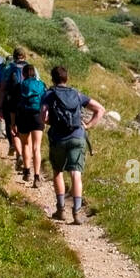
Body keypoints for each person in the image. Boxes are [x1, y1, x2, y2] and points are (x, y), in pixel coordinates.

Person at [40, 65, 106, 224]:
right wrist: (88, 125)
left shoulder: (49, 94)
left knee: (57, 172)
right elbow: (100, 109)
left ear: (53, 79)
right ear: (67, 78)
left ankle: (61, 210)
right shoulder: (77, 94)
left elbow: (43, 116)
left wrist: (51, 122)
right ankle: (76, 212)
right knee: (76, 174)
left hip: (58, 138)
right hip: (77, 136)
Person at [14, 63, 46, 187]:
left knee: (25, 143)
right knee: (37, 147)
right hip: (37, 116)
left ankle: (27, 171)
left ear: (23, 74)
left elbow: (15, 104)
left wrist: (13, 122)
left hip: (23, 116)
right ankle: (37, 176)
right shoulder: (41, 84)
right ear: (35, 73)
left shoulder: (20, 85)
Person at [0, 47, 28, 167]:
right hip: (27, 104)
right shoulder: (31, 68)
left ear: (14, 56)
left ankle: (16, 151)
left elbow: (2, 88)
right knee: (24, 132)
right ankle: (26, 163)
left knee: (11, 126)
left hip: (11, 102)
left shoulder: (9, 67)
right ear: (25, 56)